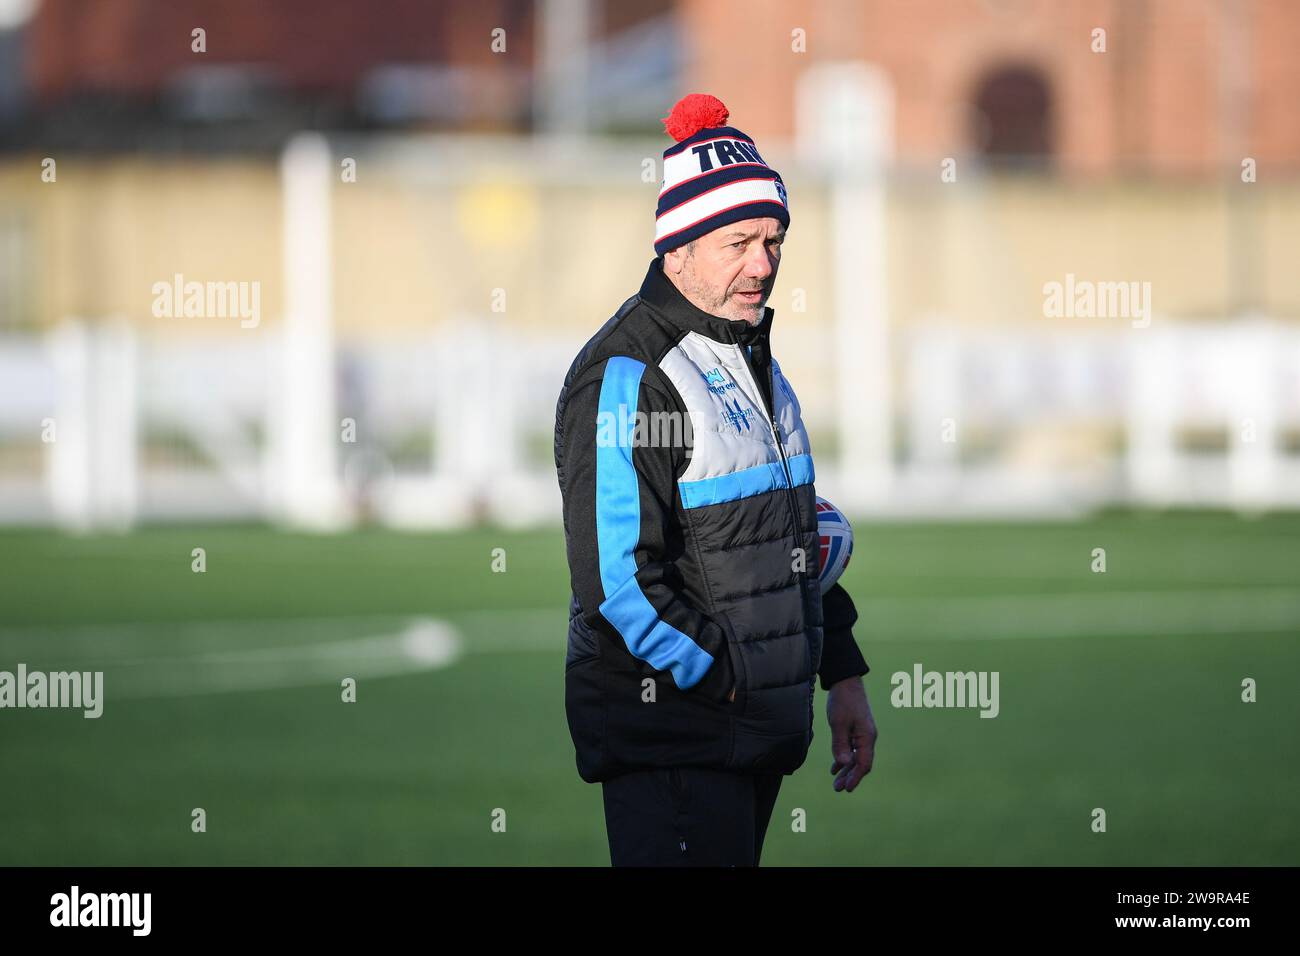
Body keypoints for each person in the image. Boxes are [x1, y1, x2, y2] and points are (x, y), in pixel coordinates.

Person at [553, 94, 878, 867]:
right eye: (737, 242)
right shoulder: (628, 375)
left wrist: (842, 671)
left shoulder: (750, 357)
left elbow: (790, 543)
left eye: (773, 240)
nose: (762, 264)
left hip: (750, 734)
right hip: (677, 738)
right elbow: (618, 581)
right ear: (680, 248)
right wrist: (726, 675)